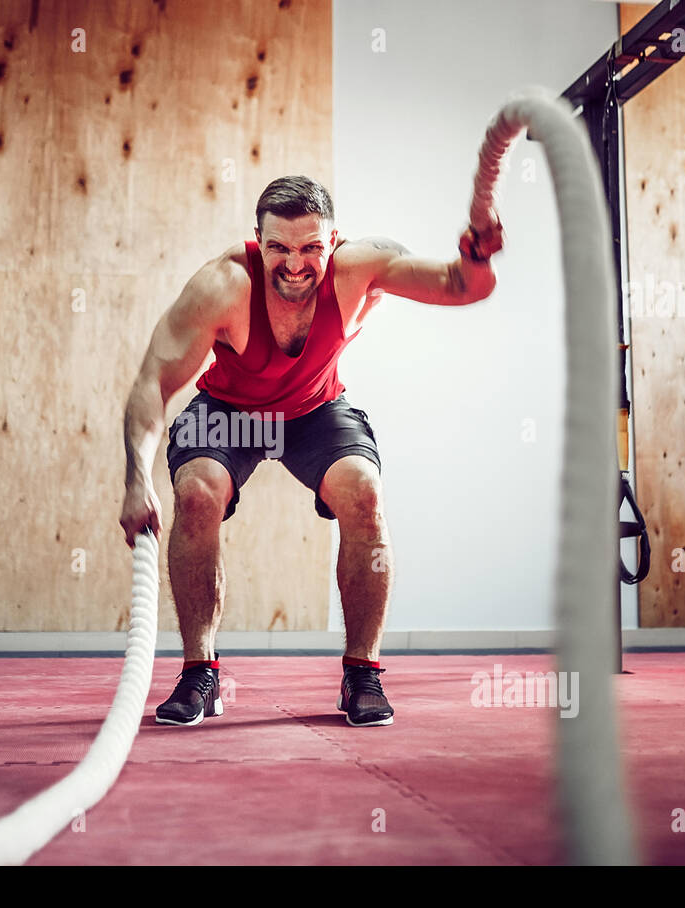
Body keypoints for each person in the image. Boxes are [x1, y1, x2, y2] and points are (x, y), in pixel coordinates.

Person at [119, 175, 501, 727]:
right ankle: (200, 671)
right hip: (231, 411)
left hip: (313, 410)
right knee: (197, 492)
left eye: (310, 248)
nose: (294, 264)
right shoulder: (222, 285)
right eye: (278, 247)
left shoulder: (361, 270)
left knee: (364, 492)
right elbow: (152, 382)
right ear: (258, 239)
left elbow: (461, 285)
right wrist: (136, 478)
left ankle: (362, 673)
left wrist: (476, 252)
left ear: (334, 240)